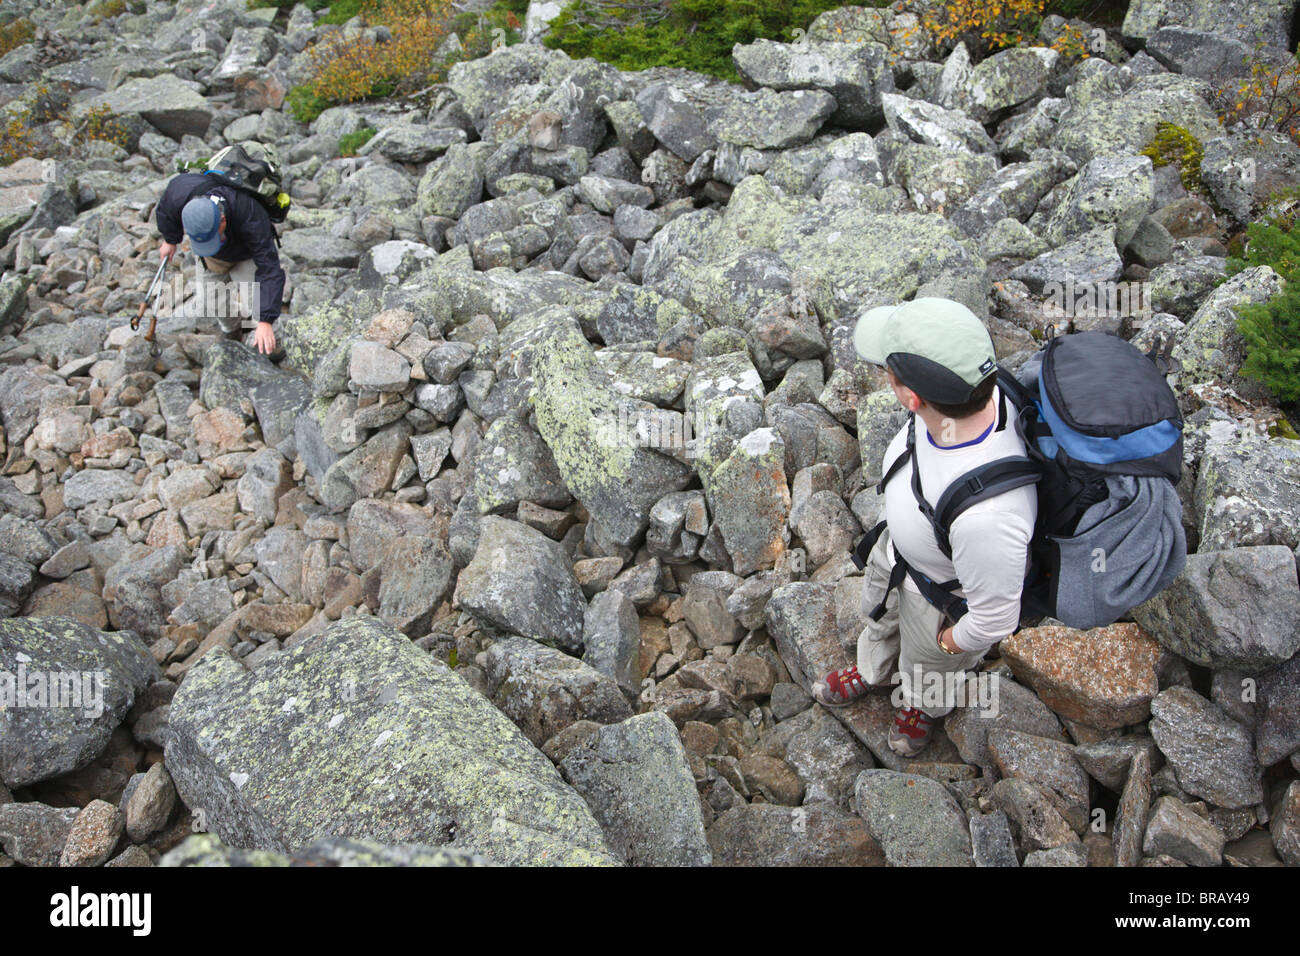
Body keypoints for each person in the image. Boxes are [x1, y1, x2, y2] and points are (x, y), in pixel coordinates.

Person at [812, 297, 1037, 757]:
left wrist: (950, 642)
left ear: (911, 397)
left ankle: (921, 704)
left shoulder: (989, 518)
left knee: (930, 665)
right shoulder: (973, 397)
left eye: (889, 375)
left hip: (938, 596)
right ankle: (873, 671)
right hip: (896, 552)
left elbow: (995, 616)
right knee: (876, 616)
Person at [155, 171, 285, 356]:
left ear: (222, 220)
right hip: (212, 259)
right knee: (211, 301)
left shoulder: (249, 213)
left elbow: (269, 268)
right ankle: (232, 331)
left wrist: (265, 320)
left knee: (256, 305)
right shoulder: (181, 192)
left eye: (213, 237)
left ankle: (274, 344)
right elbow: (166, 209)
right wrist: (170, 240)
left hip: (247, 254)